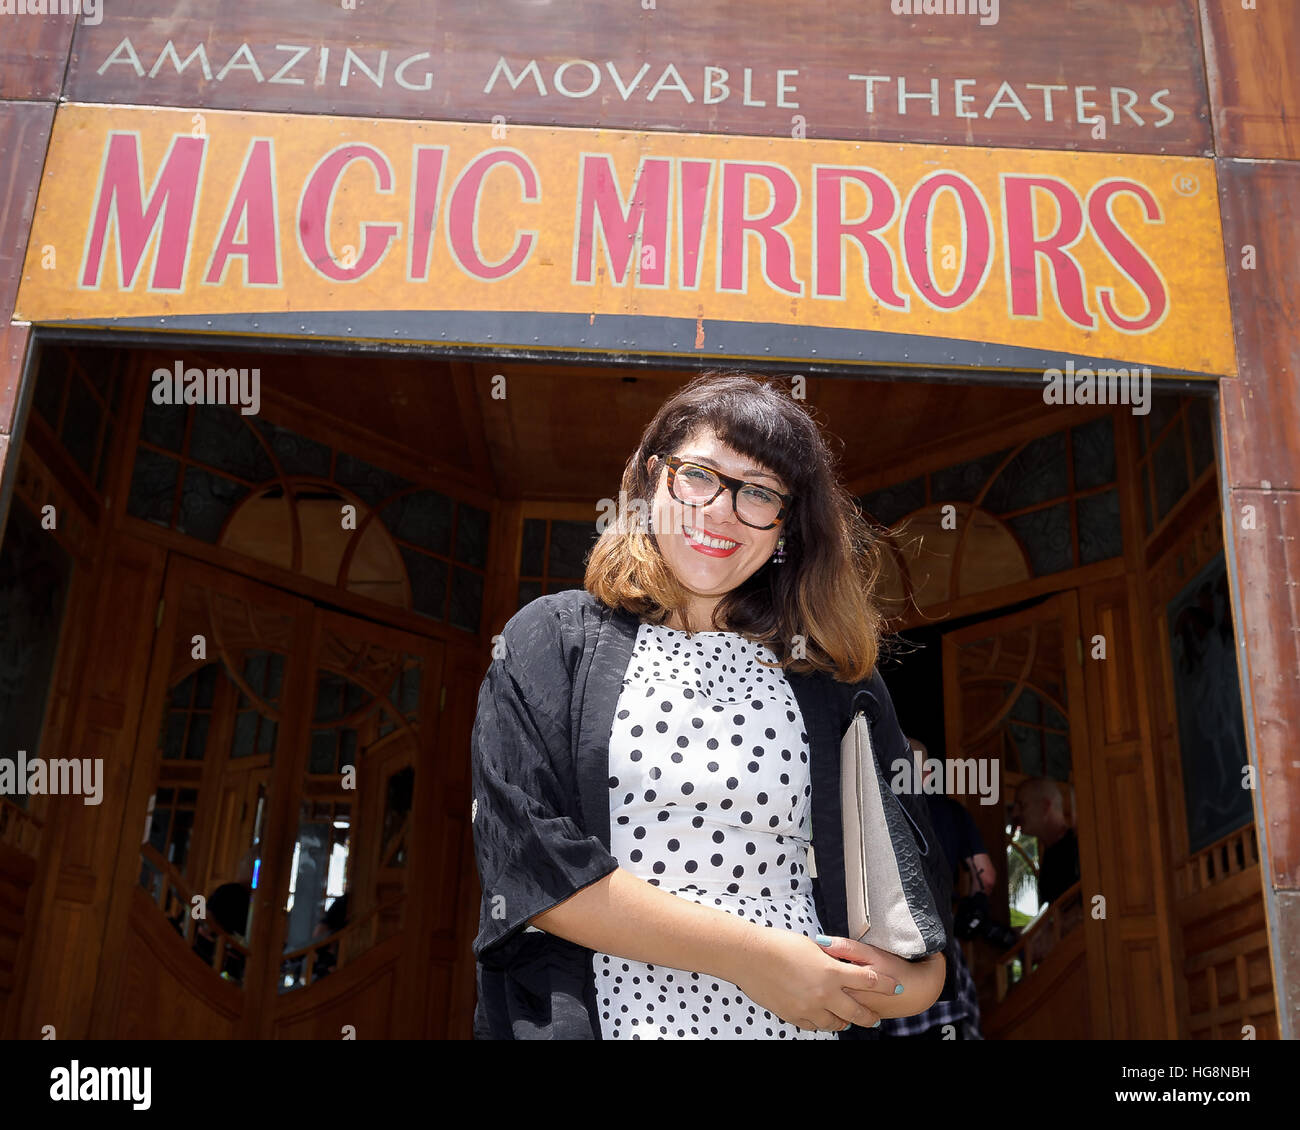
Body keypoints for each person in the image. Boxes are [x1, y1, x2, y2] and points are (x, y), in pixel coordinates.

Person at [470, 370, 951, 1040]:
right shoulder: (551, 640)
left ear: (786, 525)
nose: (721, 511)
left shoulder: (836, 681)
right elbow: (529, 864)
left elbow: (919, 953)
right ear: (648, 479)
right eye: (699, 475)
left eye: (759, 492)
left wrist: (871, 986)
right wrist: (755, 959)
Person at [880, 738, 992, 1040]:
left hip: (885, 949)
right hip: (939, 945)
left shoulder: (874, 811)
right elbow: (987, 875)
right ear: (928, 773)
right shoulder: (951, 812)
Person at [1010, 777, 1079, 907]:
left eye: (1022, 805)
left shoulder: (1078, 850)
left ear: (1045, 806)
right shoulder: (1050, 852)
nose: (1015, 814)